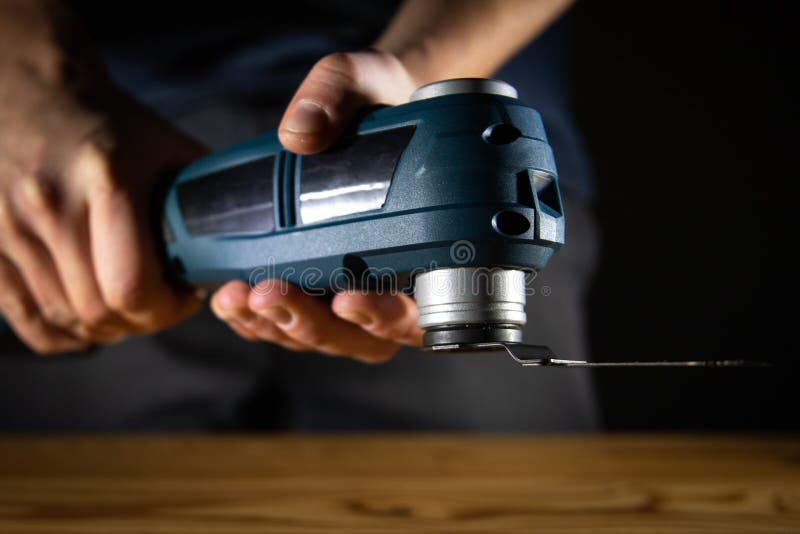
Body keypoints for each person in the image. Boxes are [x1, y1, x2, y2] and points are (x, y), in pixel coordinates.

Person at [0, 0, 599, 431]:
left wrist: (419, 68)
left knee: (519, 490)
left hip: (452, 77)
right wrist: (22, 77)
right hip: (94, 164)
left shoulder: (477, 164)